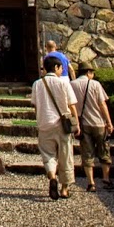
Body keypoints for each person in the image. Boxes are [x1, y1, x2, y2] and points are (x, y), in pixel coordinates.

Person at [31, 54, 80, 199]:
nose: (62, 71)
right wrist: (76, 123)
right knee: (66, 156)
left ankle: (52, 176)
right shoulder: (63, 83)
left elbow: (35, 105)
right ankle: (65, 189)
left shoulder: (37, 84)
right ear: (56, 67)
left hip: (44, 124)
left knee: (48, 155)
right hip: (62, 125)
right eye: (61, 68)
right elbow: (72, 105)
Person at [71, 63, 114, 192]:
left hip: (83, 123)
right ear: (88, 72)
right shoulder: (95, 84)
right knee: (104, 152)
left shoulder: (72, 84)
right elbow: (102, 104)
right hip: (98, 122)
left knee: (87, 154)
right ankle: (106, 179)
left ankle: (91, 183)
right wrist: (109, 122)